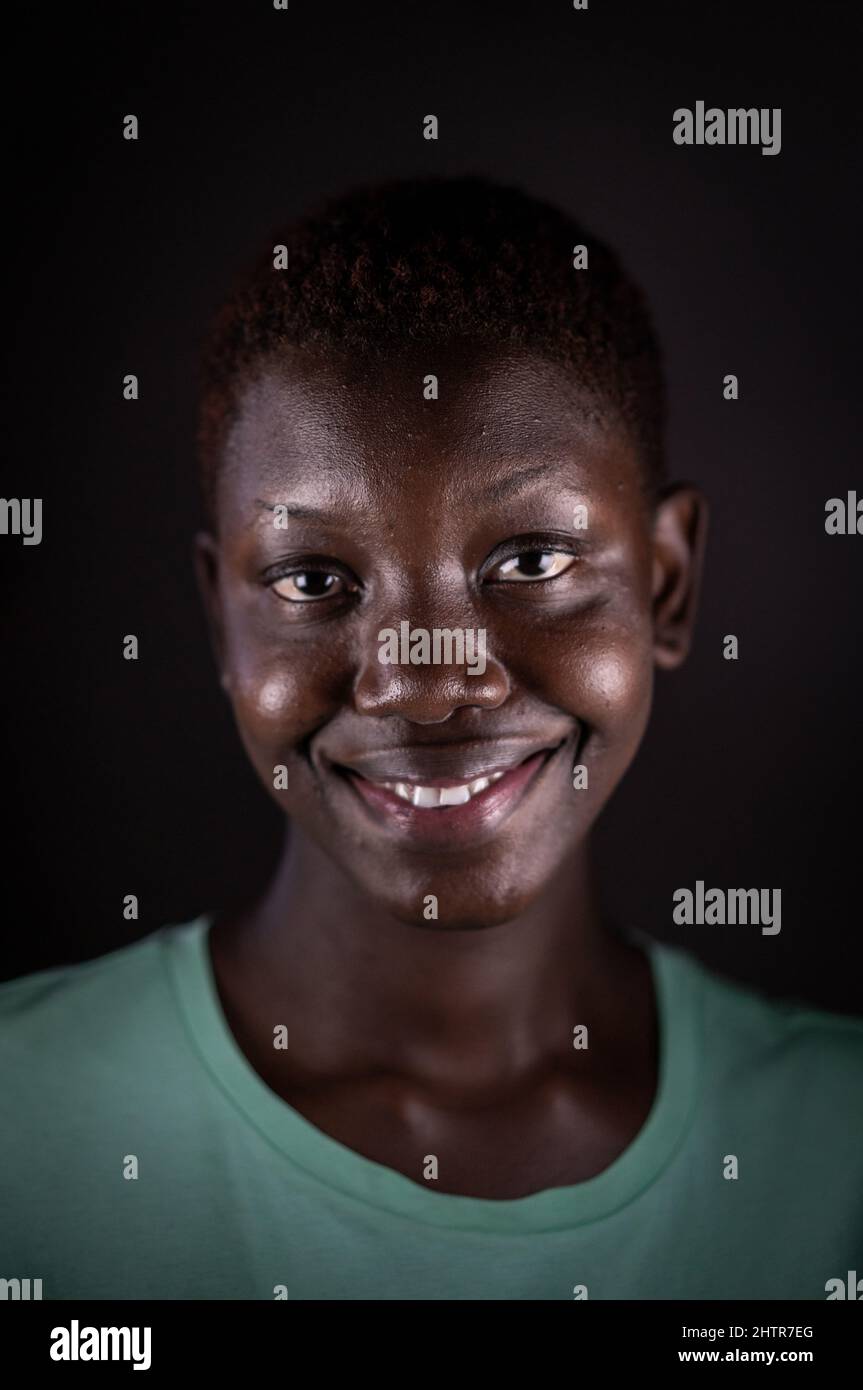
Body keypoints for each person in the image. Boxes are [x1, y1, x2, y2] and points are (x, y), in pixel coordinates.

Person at [1, 177, 861, 1300]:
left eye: (532, 562)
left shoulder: (831, 1153)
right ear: (221, 618)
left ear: (664, 584)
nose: (423, 679)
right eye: (314, 577)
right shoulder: (26, 1127)